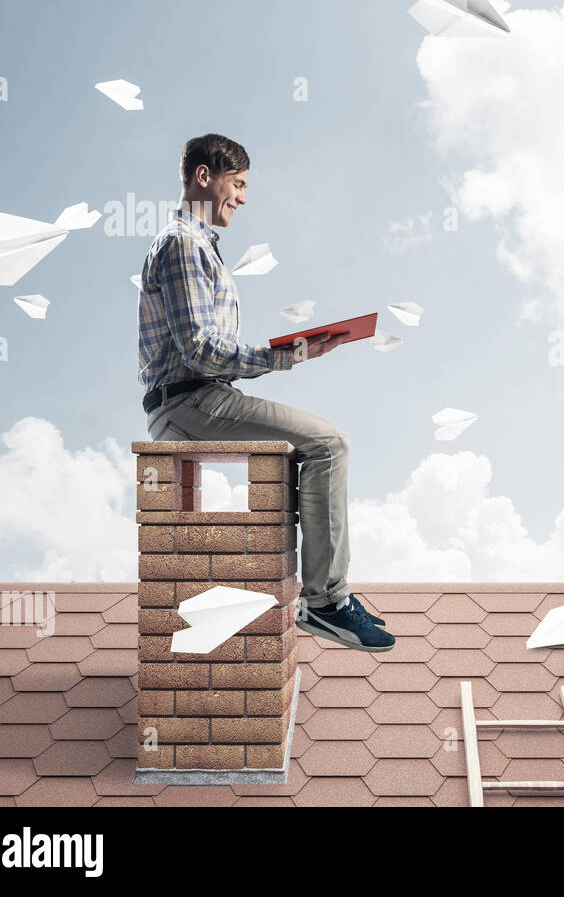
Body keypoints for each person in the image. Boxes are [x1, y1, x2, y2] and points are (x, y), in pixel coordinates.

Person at [138, 133, 393, 653]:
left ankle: (324, 595)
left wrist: (296, 349)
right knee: (329, 444)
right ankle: (325, 603)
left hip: (196, 398)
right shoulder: (183, 245)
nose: (244, 198)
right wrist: (284, 356)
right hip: (190, 401)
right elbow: (202, 353)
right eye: (239, 183)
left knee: (317, 444)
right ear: (204, 176)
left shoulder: (199, 246)